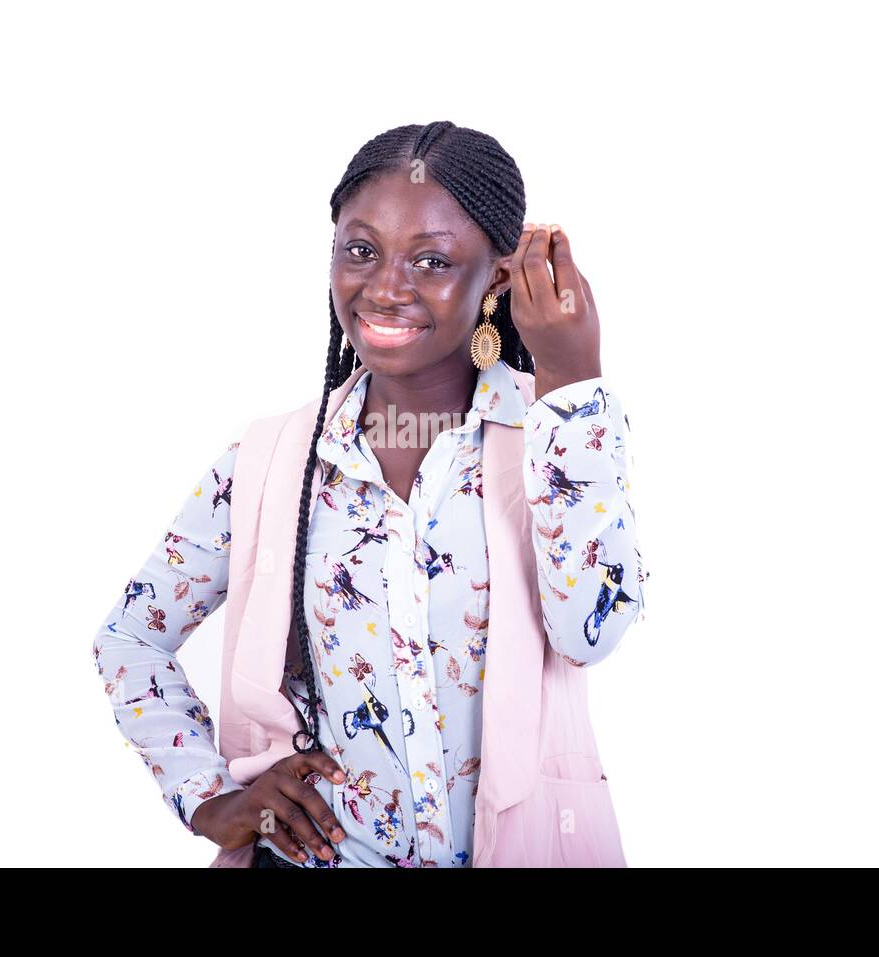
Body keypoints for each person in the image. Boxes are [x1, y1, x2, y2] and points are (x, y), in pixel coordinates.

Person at [92, 121, 648, 868]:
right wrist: (207, 794)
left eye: (433, 259)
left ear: (499, 279)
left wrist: (573, 379)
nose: (386, 286)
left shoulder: (551, 434)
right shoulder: (268, 462)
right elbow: (129, 638)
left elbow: (591, 631)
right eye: (361, 250)